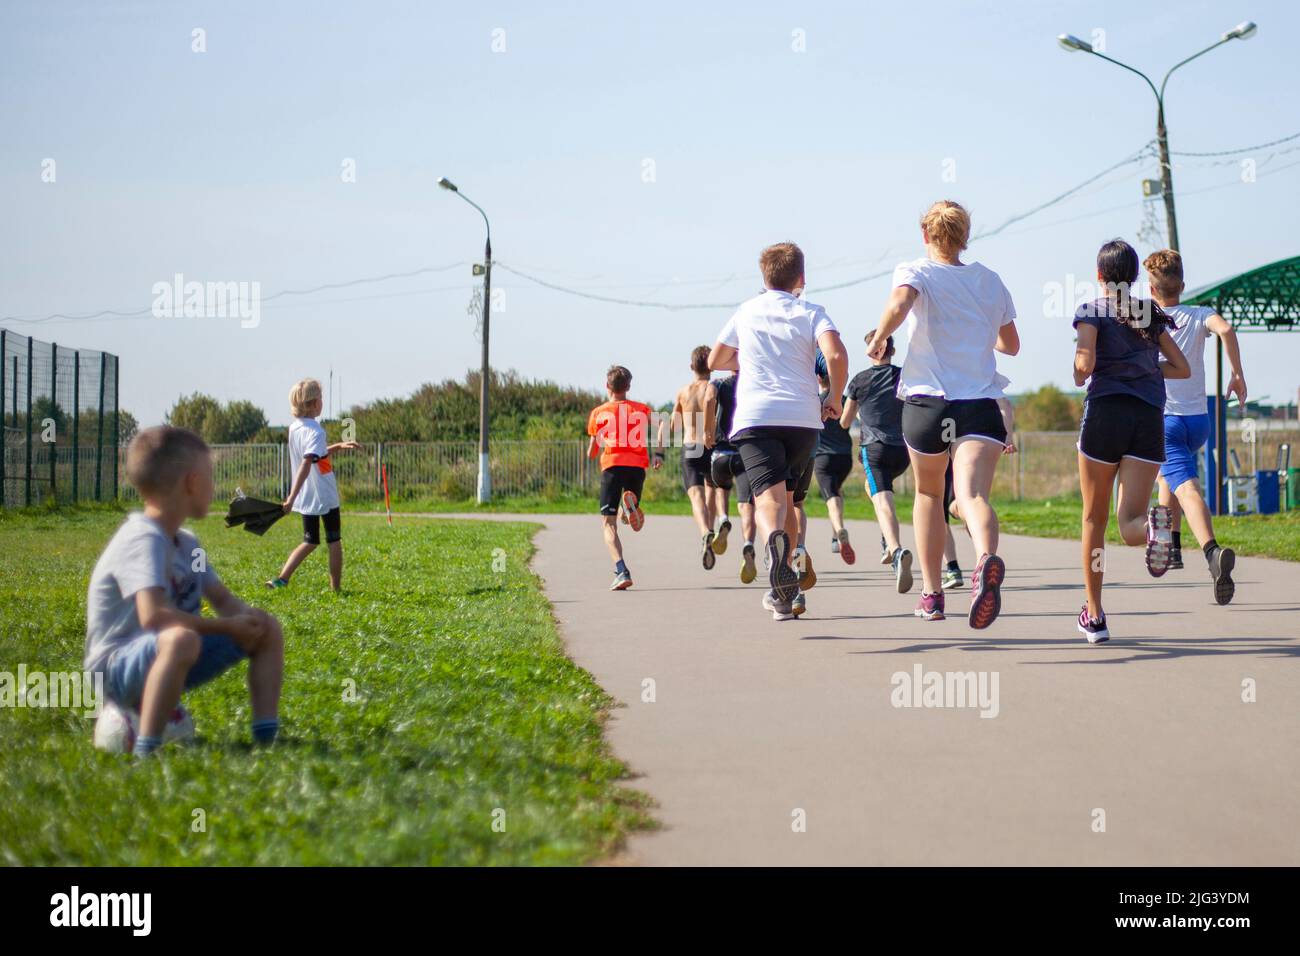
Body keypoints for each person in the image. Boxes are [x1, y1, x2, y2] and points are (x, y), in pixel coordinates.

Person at [867, 200, 1019, 627]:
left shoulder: (915, 270)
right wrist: (974, 334)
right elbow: (1011, 344)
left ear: (925, 235)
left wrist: (880, 336)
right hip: (980, 404)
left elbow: (900, 305)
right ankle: (986, 560)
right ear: (966, 235)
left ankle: (932, 595)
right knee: (971, 496)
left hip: (929, 403)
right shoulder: (990, 280)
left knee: (930, 495)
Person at [87, 426, 284, 756]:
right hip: (114, 671)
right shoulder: (143, 539)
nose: (215, 486)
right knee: (180, 638)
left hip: (171, 651)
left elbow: (220, 598)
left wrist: (247, 619)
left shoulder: (188, 543)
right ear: (192, 482)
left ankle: (266, 741)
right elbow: (154, 617)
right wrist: (226, 627)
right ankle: (146, 750)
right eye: (211, 476)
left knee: (268, 627)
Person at [708, 241, 847, 621]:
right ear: (801, 278)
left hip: (757, 418)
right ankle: (783, 597)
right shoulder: (812, 311)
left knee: (768, 503)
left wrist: (747, 359)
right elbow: (835, 355)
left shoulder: (746, 311)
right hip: (803, 420)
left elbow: (715, 359)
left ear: (763, 276)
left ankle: (773, 550)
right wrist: (833, 396)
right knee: (788, 500)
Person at [1073, 239, 1190, 643]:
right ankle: (1155, 531)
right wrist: (1144, 368)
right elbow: (1181, 366)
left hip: (1105, 413)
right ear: (1136, 277)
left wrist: (1079, 369)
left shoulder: (1092, 309)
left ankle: (1095, 615)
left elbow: (1085, 362)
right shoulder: (1149, 312)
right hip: (1146, 417)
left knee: (1094, 519)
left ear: (1100, 274)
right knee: (1130, 523)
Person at [1145, 249, 1246, 604]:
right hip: (1198, 421)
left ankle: (1211, 552)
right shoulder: (1200, 314)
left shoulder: (1147, 320)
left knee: (1186, 488)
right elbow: (1227, 329)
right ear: (1182, 285)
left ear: (1151, 289)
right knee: (1168, 477)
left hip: (1166, 420)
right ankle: (1171, 546)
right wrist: (1237, 375)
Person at [267, 378, 361, 592]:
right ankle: (336, 590)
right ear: (313, 403)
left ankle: (281, 579)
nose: (322, 401)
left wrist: (338, 445)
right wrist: (290, 498)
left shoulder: (295, 428)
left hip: (307, 496)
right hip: (324, 494)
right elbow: (307, 463)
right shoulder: (316, 431)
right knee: (334, 540)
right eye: (320, 398)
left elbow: (315, 454)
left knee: (309, 541)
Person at [841, 330, 913, 591]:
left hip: (875, 448)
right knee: (874, 492)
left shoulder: (860, 381)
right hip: (903, 450)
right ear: (891, 350)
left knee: (883, 501)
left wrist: (859, 415)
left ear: (872, 350)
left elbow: (845, 421)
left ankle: (895, 551)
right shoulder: (905, 375)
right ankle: (886, 541)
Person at [587, 364, 664, 591]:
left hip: (612, 466)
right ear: (628, 386)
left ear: (607, 386)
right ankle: (628, 507)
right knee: (627, 508)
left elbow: (592, 451)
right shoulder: (641, 409)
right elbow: (663, 423)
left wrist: (594, 448)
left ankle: (621, 571)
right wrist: (658, 453)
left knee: (608, 524)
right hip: (637, 466)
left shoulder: (599, 413)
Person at [673, 346, 720, 569]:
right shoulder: (715, 389)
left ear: (692, 366)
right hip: (711, 444)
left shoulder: (683, 391)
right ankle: (711, 528)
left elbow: (674, 424)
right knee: (712, 490)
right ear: (711, 366)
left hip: (691, 444)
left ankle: (705, 531)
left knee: (696, 496)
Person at [710, 371, 759, 583]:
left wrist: (707, 432)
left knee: (722, 488)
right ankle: (748, 542)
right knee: (747, 504)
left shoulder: (721, 384)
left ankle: (723, 519)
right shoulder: (755, 382)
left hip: (721, 452)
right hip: (745, 452)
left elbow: (709, 399)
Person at [812, 352, 855, 565]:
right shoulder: (845, 399)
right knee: (836, 492)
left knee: (830, 497)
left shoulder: (814, 401)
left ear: (818, 378)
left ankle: (839, 530)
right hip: (845, 456)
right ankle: (834, 538)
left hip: (822, 457)